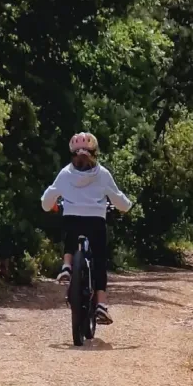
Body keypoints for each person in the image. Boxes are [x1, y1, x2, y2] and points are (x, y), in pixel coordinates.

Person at [41, 132, 132, 326]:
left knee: (70, 233)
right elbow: (119, 200)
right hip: (95, 221)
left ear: (72, 154)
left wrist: (50, 206)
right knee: (99, 260)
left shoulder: (65, 174)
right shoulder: (102, 174)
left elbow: (46, 201)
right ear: (95, 152)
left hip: (72, 219)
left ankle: (67, 266)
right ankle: (101, 304)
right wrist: (126, 206)